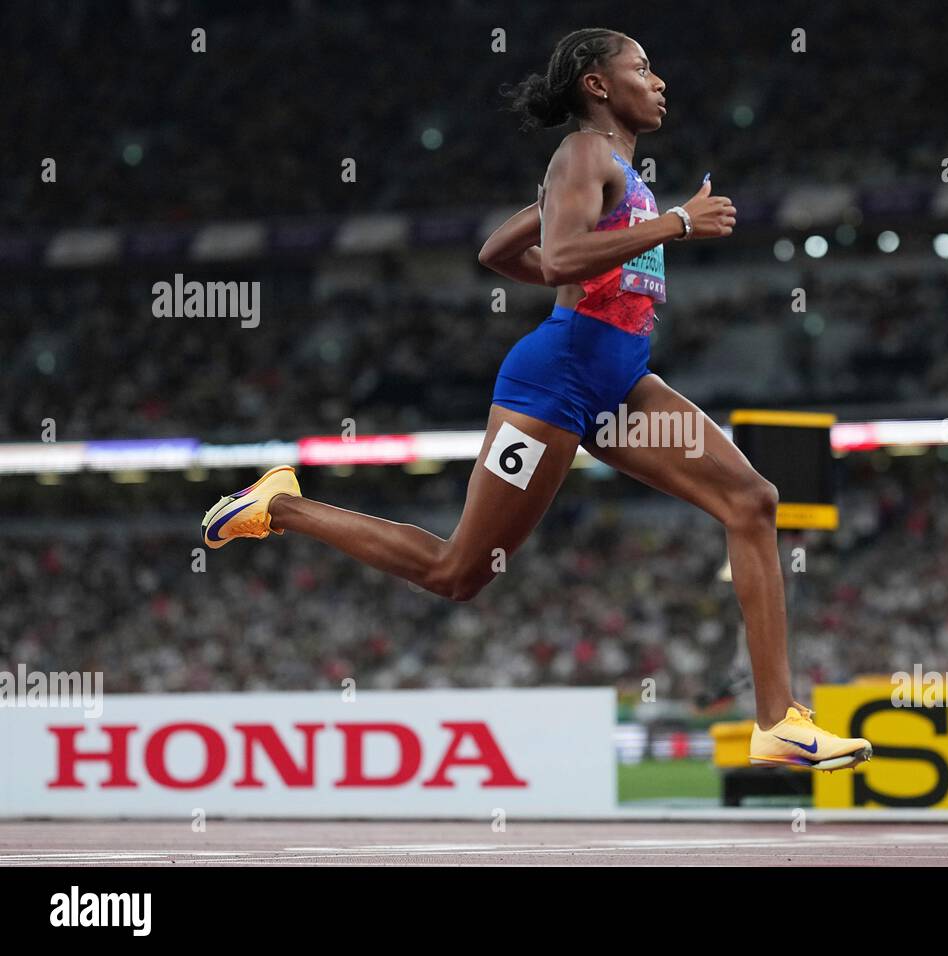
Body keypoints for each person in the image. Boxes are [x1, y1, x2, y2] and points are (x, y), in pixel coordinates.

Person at [200, 28, 870, 773]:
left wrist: (592, 221)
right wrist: (676, 223)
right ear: (596, 83)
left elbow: (495, 252)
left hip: (619, 381)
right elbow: (557, 260)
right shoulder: (583, 154)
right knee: (459, 572)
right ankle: (282, 505)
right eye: (643, 68)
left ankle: (777, 720)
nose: (660, 81)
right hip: (553, 383)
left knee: (753, 500)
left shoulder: (611, 170)